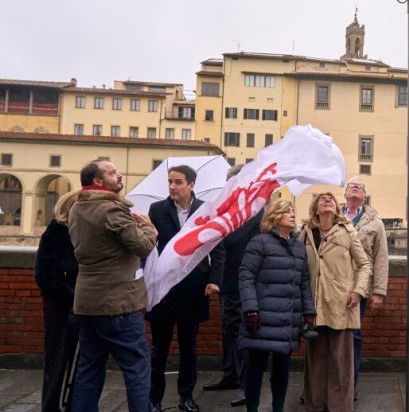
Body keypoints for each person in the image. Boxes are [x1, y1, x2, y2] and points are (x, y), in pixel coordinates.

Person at [68, 159, 158, 412]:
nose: (119, 175)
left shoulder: (77, 208)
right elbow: (142, 246)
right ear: (98, 181)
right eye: (112, 173)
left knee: (89, 367)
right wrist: (149, 228)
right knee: (137, 367)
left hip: (88, 302)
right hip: (117, 303)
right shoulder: (111, 210)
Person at [146, 165, 225, 412]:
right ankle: (154, 399)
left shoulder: (206, 211)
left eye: (178, 182)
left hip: (193, 289)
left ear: (191, 184)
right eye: (170, 182)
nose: (172, 186)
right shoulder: (157, 209)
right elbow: (149, 247)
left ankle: (186, 396)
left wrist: (215, 279)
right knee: (159, 349)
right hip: (163, 290)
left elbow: (218, 248)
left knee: (189, 348)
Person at [238, 199, 316, 412]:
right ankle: (252, 409)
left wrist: (309, 312)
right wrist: (251, 310)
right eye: (287, 211)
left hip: (287, 320)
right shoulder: (259, 243)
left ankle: (278, 408)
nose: (292, 214)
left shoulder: (299, 248)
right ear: (274, 217)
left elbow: (304, 282)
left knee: (282, 369)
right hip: (262, 318)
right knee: (256, 367)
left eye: (293, 211)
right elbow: (246, 277)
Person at [300, 192, 371, 412]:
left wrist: (358, 292)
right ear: (315, 208)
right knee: (315, 361)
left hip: (342, 303)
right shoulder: (306, 234)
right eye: (322, 199)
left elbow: (364, 265)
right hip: (314, 304)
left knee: (341, 362)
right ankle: (315, 404)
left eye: (331, 199)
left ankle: (340, 407)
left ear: (336, 208)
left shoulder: (347, 231)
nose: (327, 200)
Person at [203, 164, 263, 408]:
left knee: (241, 330)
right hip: (227, 277)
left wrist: (216, 233)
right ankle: (230, 374)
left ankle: (245, 384)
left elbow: (234, 238)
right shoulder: (228, 208)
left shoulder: (254, 207)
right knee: (228, 328)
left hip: (244, 277)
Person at [342, 177, 388, 400]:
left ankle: (351, 383)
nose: (355, 188)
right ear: (344, 194)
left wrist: (379, 291)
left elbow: (381, 258)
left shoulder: (375, 222)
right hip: (333, 286)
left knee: (353, 336)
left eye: (359, 186)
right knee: (327, 336)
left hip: (359, 289)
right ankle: (326, 383)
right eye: (351, 185)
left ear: (365, 195)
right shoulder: (332, 217)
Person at [35, 190, 81, 412]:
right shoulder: (56, 231)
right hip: (59, 309)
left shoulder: (85, 232)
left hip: (83, 307)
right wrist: (72, 300)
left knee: (82, 364)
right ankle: (51, 407)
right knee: (57, 362)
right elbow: (45, 276)